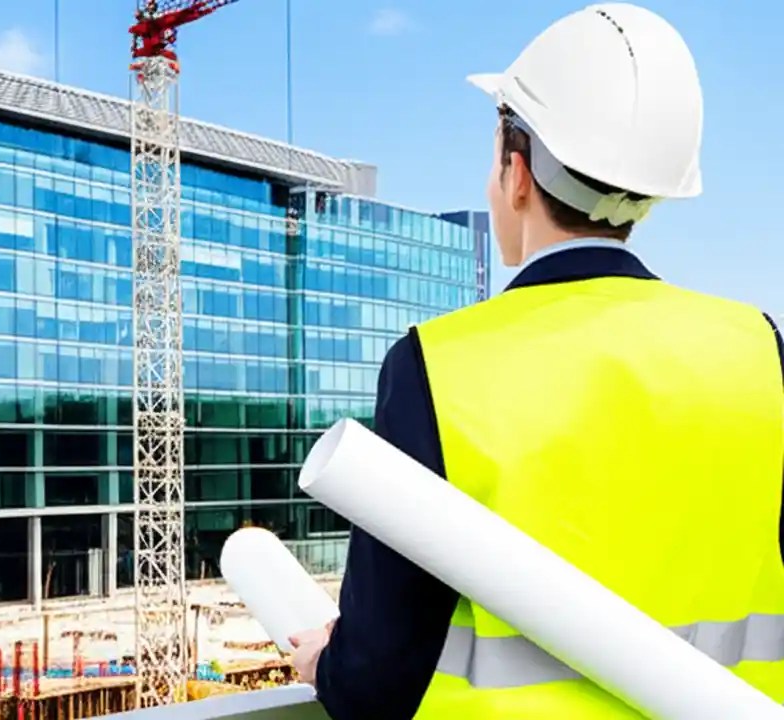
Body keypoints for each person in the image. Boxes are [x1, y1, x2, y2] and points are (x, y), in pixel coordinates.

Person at [289, 3, 784, 718]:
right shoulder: (758, 350)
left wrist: (325, 666)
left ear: (515, 173)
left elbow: (377, 679)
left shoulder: (437, 367)